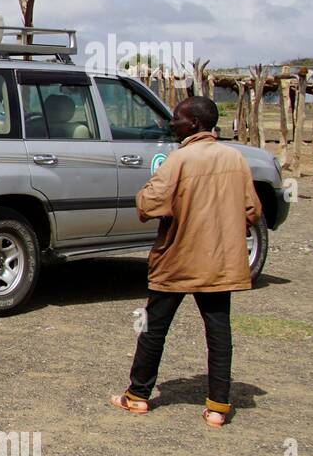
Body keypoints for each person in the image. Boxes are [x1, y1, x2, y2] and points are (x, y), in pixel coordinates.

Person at [110, 96, 262, 428]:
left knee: (154, 328)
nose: (171, 123)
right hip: (219, 263)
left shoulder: (180, 160)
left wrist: (152, 196)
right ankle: (218, 406)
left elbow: (149, 204)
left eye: (176, 118)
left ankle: (137, 396)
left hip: (178, 260)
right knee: (219, 331)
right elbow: (252, 210)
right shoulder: (235, 158)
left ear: (193, 123)